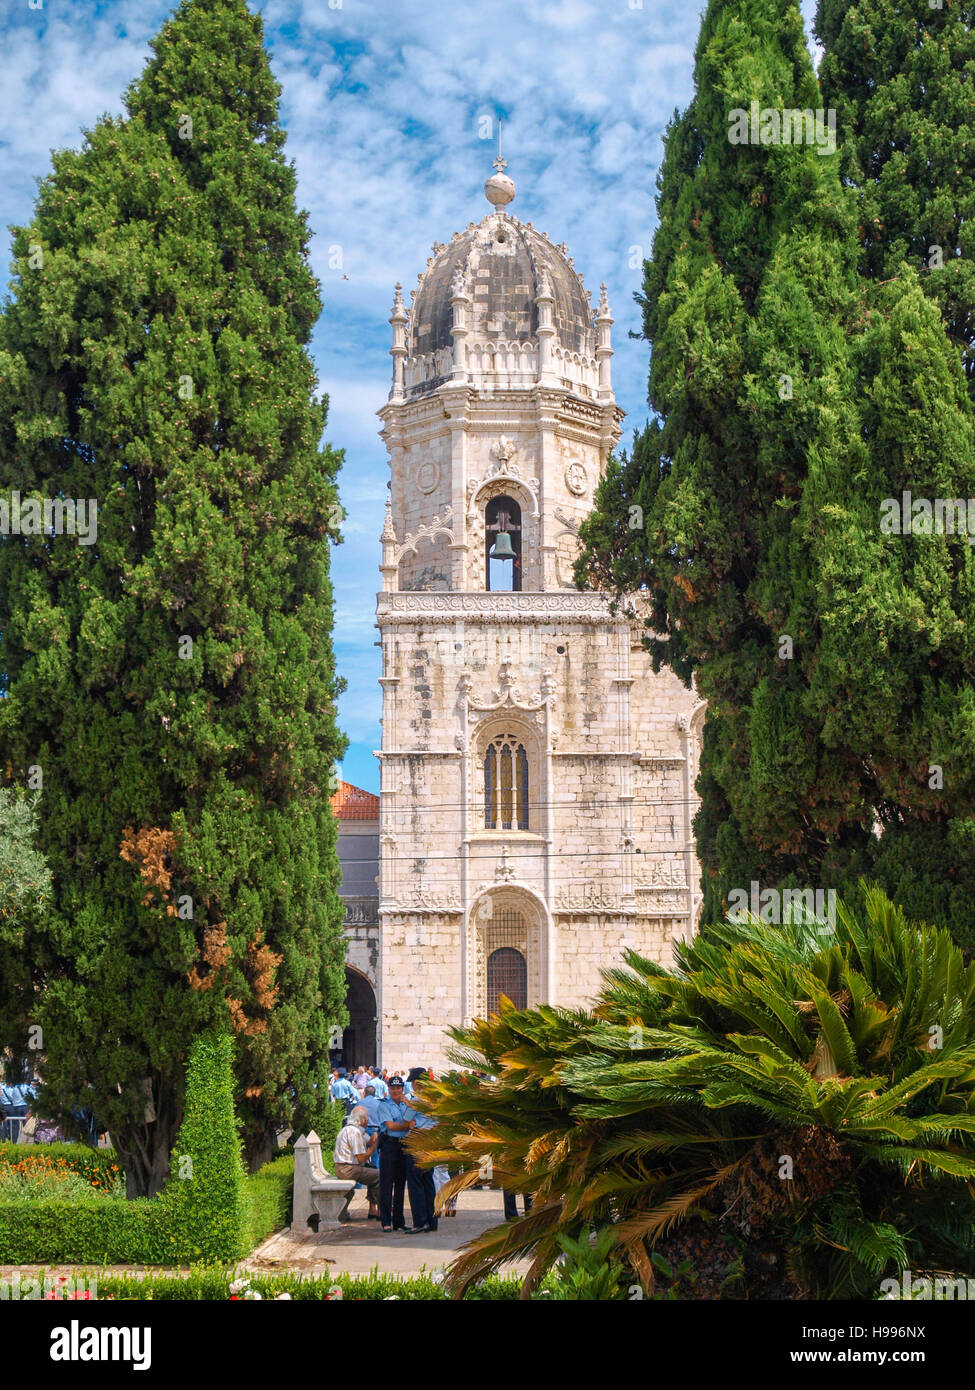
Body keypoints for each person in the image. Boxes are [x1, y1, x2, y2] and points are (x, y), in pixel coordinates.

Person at [376, 1076, 413, 1232]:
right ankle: (386, 1220)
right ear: (388, 1089)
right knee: (386, 1184)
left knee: (400, 1184)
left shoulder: (407, 1104)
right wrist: (406, 1126)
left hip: (404, 1145)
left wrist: (406, 1125)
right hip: (389, 1145)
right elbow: (390, 1126)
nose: (396, 1091)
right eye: (393, 1088)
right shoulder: (384, 1105)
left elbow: (414, 1119)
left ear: (402, 1089)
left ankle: (398, 1220)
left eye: (398, 1088)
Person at [402, 1073, 438, 1233]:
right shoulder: (433, 1100)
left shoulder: (416, 1101)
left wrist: (406, 1102)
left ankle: (419, 1222)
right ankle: (432, 1220)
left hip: (417, 1141)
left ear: (417, 1083)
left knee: (415, 1183)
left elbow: (406, 1120)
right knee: (428, 1182)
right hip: (430, 1141)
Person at [333, 1106, 380, 1220]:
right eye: (367, 1118)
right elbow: (361, 1158)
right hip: (348, 1169)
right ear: (362, 1120)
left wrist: (374, 1137)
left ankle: (372, 1209)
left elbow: (368, 1140)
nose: (368, 1121)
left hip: (341, 1168)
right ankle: (377, 1209)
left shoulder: (350, 1129)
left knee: (371, 1173)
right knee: (379, 1175)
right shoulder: (354, 1132)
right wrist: (373, 1148)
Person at [359, 1085, 383, 1168]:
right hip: (375, 1131)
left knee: (361, 1154)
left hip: (362, 1131)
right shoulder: (379, 1104)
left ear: (364, 1093)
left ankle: (361, 1179)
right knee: (375, 1154)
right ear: (374, 1094)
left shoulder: (360, 1103)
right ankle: (377, 1176)